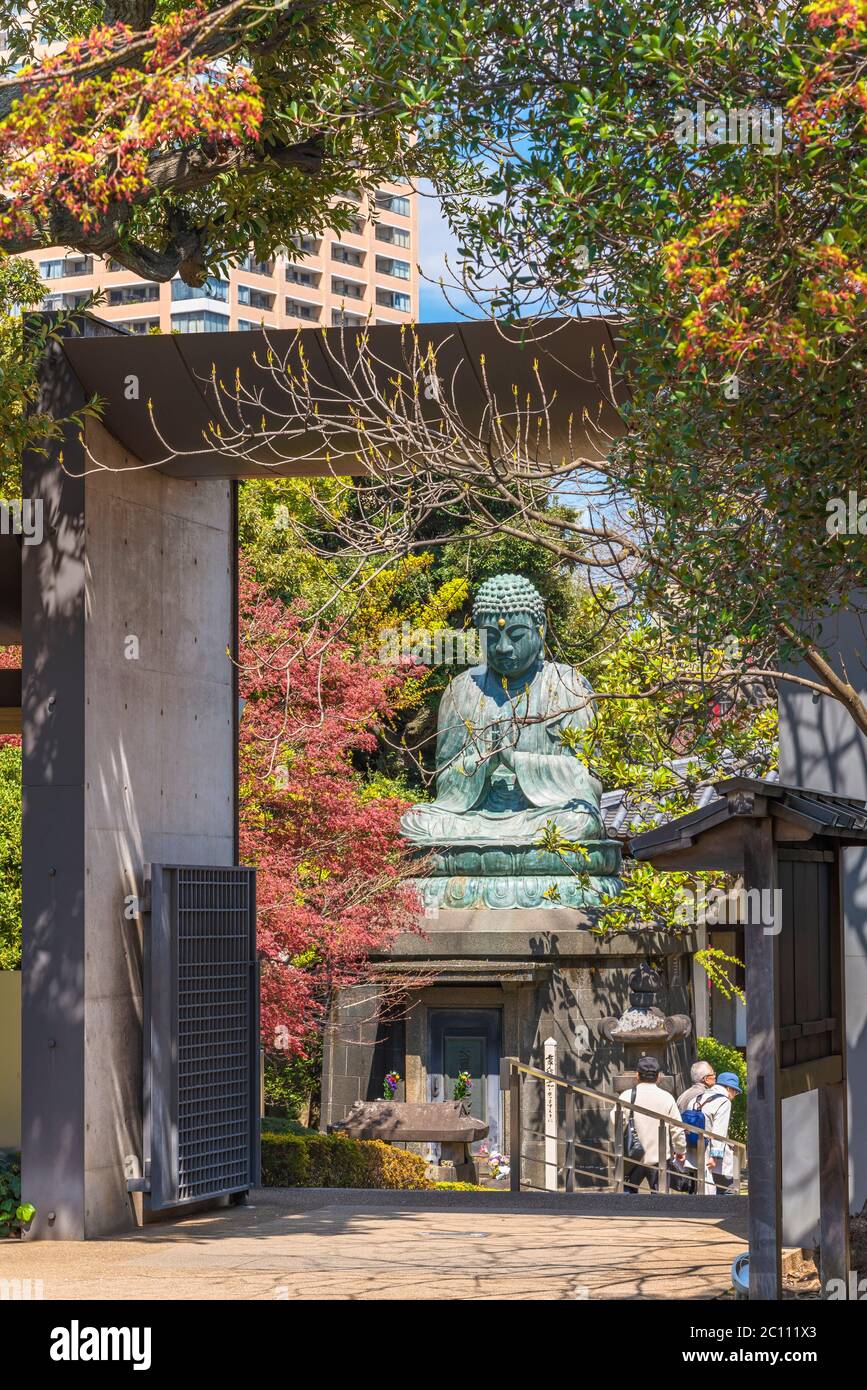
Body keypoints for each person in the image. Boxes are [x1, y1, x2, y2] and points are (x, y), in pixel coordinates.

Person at [611, 1055, 686, 1192]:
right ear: (658, 1077)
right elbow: (677, 1129)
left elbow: (615, 1120)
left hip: (633, 1156)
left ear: (637, 1075)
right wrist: (680, 1150)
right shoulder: (667, 1098)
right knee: (660, 1200)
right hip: (659, 1158)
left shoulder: (627, 1095)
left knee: (627, 1195)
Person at [698, 1072, 742, 1194]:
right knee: (729, 1190)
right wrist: (715, 1156)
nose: (734, 1096)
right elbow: (719, 1131)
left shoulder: (699, 1097)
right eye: (735, 1092)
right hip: (713, 1156)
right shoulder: (724, 1102)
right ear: (729, 1088)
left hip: (695, 1151)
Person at [676, 1060, 716, 1194]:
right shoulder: (706, 1096)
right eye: (712, 1074)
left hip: (685, 1143)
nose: (715, 1076)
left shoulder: (683, 1095)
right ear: (705, 1078)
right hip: (700, 1145)